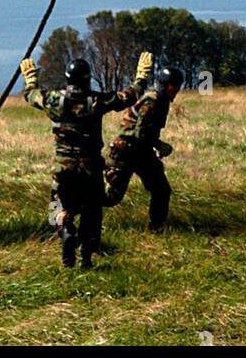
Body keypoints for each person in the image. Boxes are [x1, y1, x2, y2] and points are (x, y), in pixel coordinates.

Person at [21, 51, 153, 268]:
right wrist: (142, 76)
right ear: (88, 78)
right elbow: (128, 97)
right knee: (92, 212)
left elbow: (31, 95)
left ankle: (66, 232)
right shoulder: (97, 101)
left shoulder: (54, 100)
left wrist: (31, 78)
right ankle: (86, 259)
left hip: (62, 169)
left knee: (57, 209)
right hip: (90, 169)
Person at [104, 65, 185, 231]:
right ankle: (72, 209)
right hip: (125, 151)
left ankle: (157, 227)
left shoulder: (162, 100)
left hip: (141, 152)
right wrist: (159, 145)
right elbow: (141, 133)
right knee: (111, 197)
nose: (176, 90)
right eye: (173, 86)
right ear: (164, 84)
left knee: (161, 190)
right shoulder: (152, 100)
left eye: (178, 87)